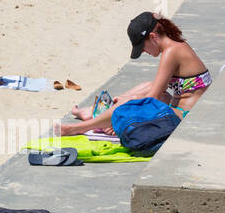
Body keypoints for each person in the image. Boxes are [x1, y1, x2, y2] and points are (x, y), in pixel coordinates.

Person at [60, 13, 211, 136]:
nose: (144, 52)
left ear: (152, 37)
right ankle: (101, 115)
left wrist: (126, 104)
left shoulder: (171, 52)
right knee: (147, 86)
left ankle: (84, 127)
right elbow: (158, 90)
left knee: (135, 100)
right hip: (181, 109)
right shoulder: (175, 46)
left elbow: (151, 98)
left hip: (183, 117)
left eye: (142, 48)